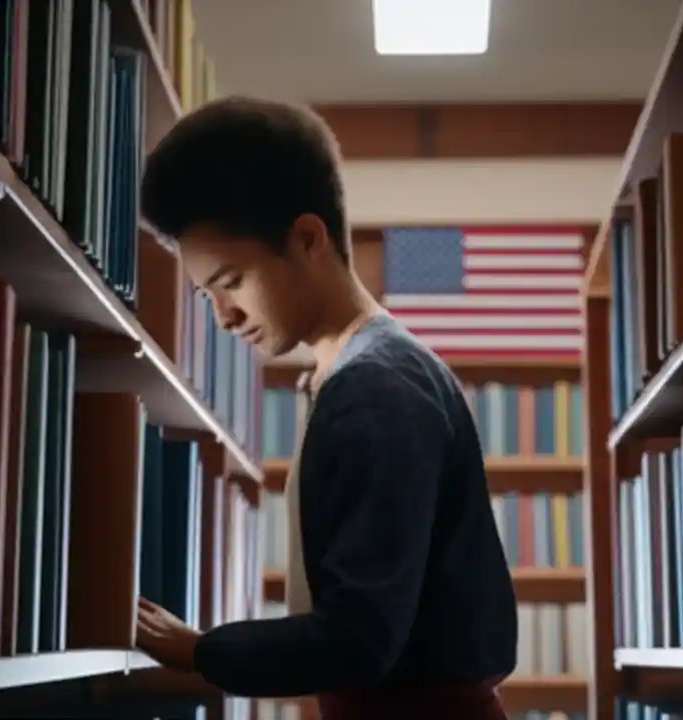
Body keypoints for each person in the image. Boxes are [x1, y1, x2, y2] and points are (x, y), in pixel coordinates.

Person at [134, 96, 517, 719]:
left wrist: (202, 652)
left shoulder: (375, 391)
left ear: (308, 237)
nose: (223, 316)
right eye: (207, 293)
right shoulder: (363, 373)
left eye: (231, 282)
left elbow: (359, 637)